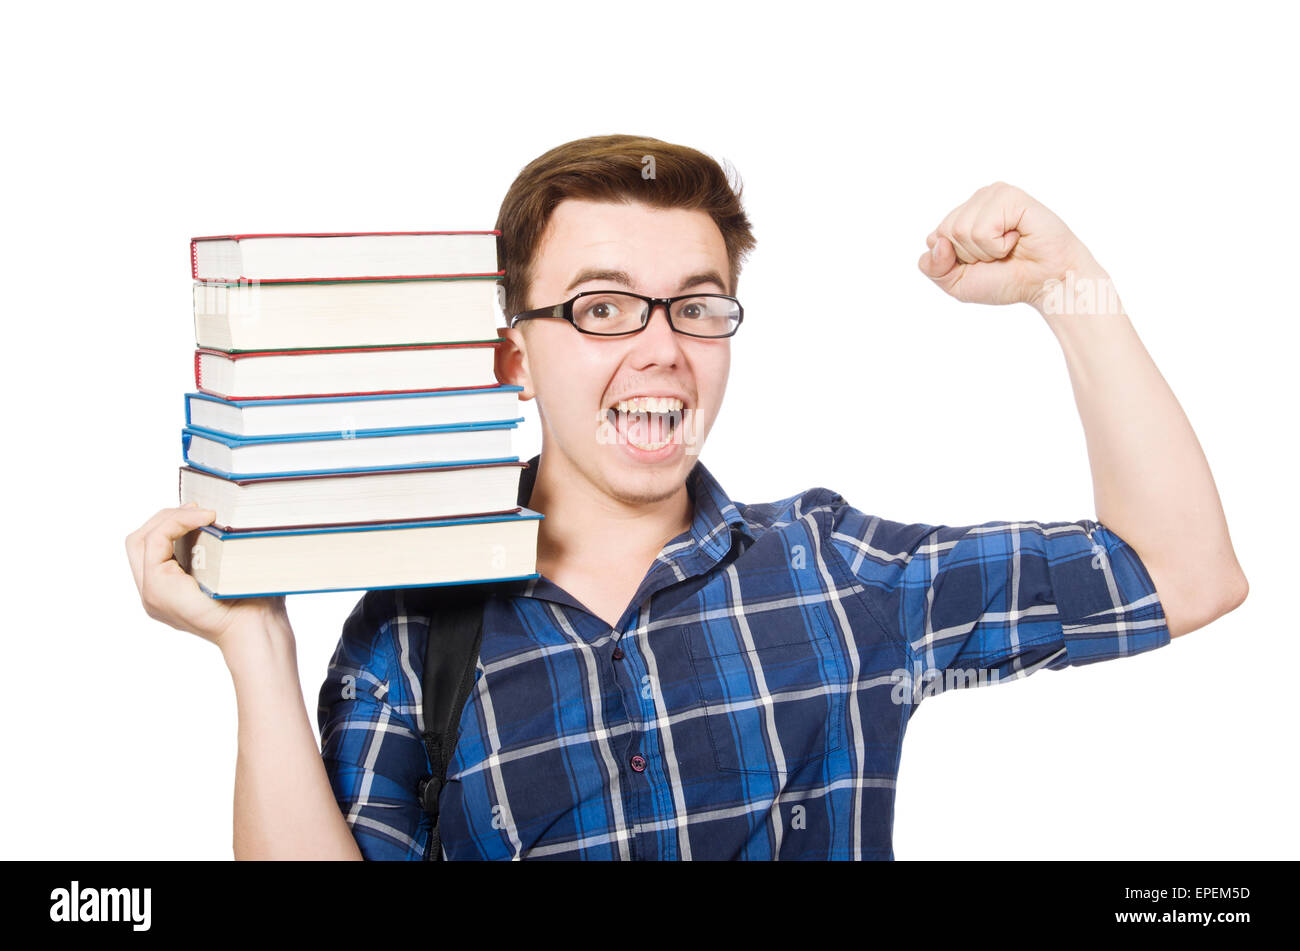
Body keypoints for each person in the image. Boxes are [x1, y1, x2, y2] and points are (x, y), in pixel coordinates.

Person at [125, 134, 1248, 860]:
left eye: (697, 307)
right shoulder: (412, 631)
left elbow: (1183, 573)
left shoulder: (837, 573)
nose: (661, 349)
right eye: (602, 308)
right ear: (515, 358)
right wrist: (254, 646)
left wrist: (1068, 286)